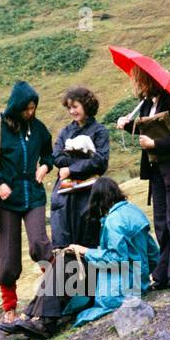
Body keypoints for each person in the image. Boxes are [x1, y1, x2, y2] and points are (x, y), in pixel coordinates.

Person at [8, 178, 160, 338]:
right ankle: (35, 315)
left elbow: (116, 259)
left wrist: (84, 251)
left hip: (120, 288)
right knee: (67, 261)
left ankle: (42, 320)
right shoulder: (134, 211)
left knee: (67, 263)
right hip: (136, 281)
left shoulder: (114, 221)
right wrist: (142, 279)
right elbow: (153, 254)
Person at [0, 80, 54, 326]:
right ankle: (9, 307)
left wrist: (45, 166)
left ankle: (55, 296)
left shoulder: (38, 128)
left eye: (33, 108)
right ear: (16, 106)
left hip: (33, 194)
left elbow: (49, 153)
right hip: (7, 198)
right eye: (26, 109)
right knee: (8, 258)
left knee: (39, 245)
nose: (30, 113)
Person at [116, 65, 170, 289]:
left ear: (148, 81)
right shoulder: (147, 104)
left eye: (139, 81)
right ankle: (164, 273)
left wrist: (155, 144)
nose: (136, 86)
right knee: (161, 222)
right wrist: (128, 125)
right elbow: (147, 130)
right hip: (157, 172)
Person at [49, 86, 110, 250]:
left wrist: (71, 168)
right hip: (66, 193)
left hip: (89, 193)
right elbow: (56, 156)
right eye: (69, 107)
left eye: (75, 106)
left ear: (86, 105)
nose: (72, 111)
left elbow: (101, 161)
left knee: (88, 238)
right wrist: (77, 161)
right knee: (64, 239)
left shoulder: (100, 131)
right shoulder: (66, 131)